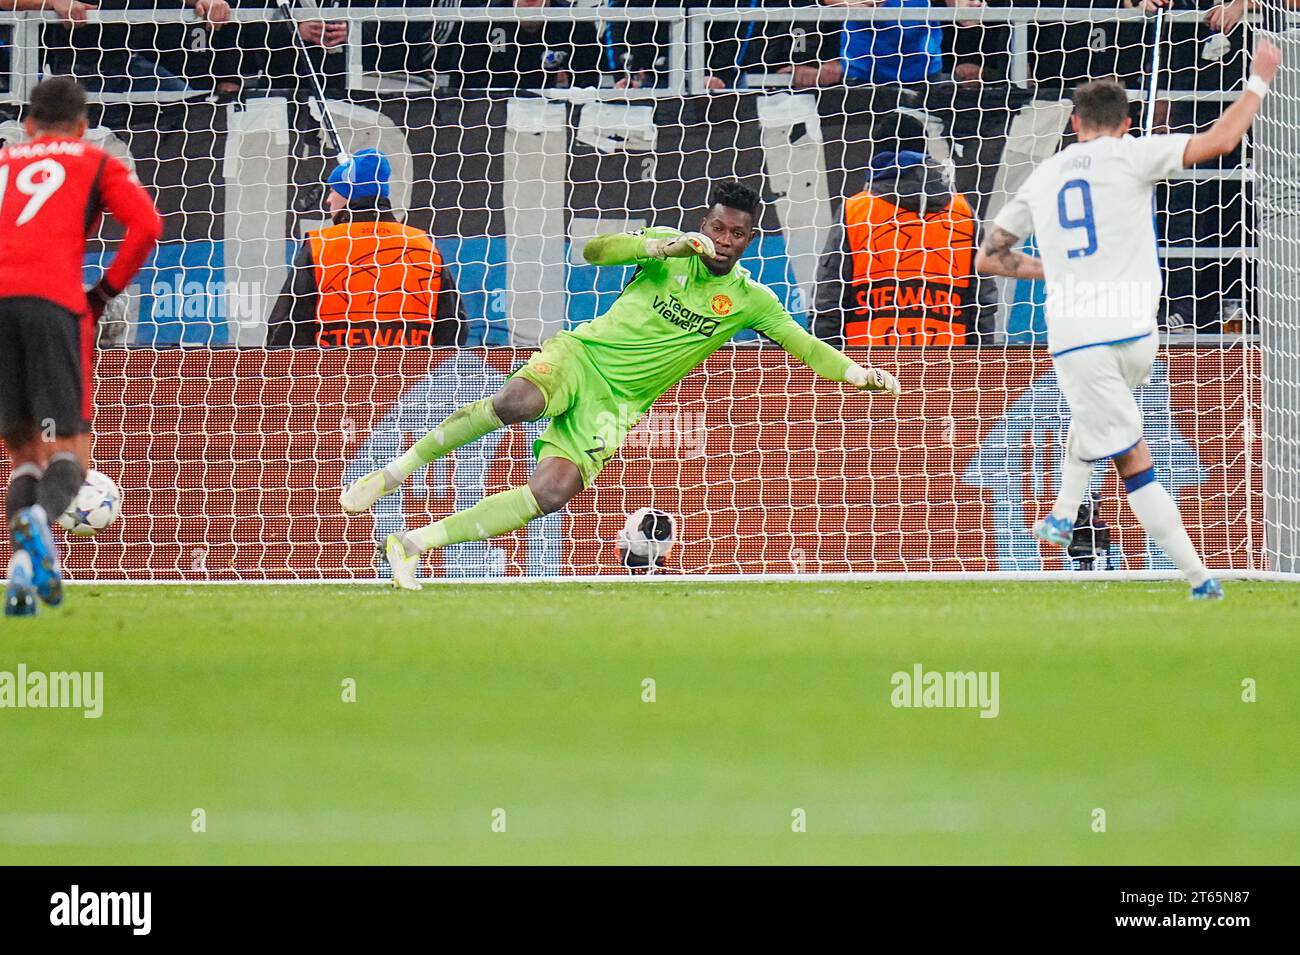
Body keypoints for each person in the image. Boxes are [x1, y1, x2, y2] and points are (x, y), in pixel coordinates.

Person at [340, 181, 902, 590]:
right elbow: (593, 252)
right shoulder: (666, 248)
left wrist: (860, 374)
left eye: (737, 234)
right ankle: (391, 475)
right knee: (517, 401)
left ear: (749, 241)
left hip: (618, 404)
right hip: (582, 356)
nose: (723, 239)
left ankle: (411, 545)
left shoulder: (751, 301)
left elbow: (805, 345)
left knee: (552, 493)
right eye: (716, 227)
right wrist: (661, 246)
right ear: (703, 226)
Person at [974, 39, 1282, 599]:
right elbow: (1221, 140)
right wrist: (1259, 78)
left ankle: (1199, 578)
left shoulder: (1047, 174)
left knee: (1132, 459)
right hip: (1139, 334)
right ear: (1127, 121)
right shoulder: (1135, 152)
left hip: (1079, 337)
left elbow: (990, 256)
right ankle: (1064, 516)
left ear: (1073, 122)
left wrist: (1058, 270)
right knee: (1093, 421)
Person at [0, 77, 162, 614]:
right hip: (53, 307)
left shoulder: (5, 164)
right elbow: (146, 226)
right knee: (70, 449)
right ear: (83, 125)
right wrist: (103, 293)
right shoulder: (93, 161)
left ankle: (22, 561)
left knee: (25, 454)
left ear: (26, 125)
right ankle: (36, 541)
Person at [267, 148, 467, 348]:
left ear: (349, 195)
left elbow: (285, 328)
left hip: (335, 375)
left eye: (334, 190)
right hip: (410, 375)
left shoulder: (321, 246)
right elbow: (454, 328)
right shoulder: (424, 245)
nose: (328, 199)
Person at [813, 149, 995, 346]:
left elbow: (829, 297)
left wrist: (826, 363)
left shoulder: (856, 210)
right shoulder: (963, 212)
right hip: (946, 363)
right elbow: (983, 302)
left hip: (866, 362)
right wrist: (978, 361)